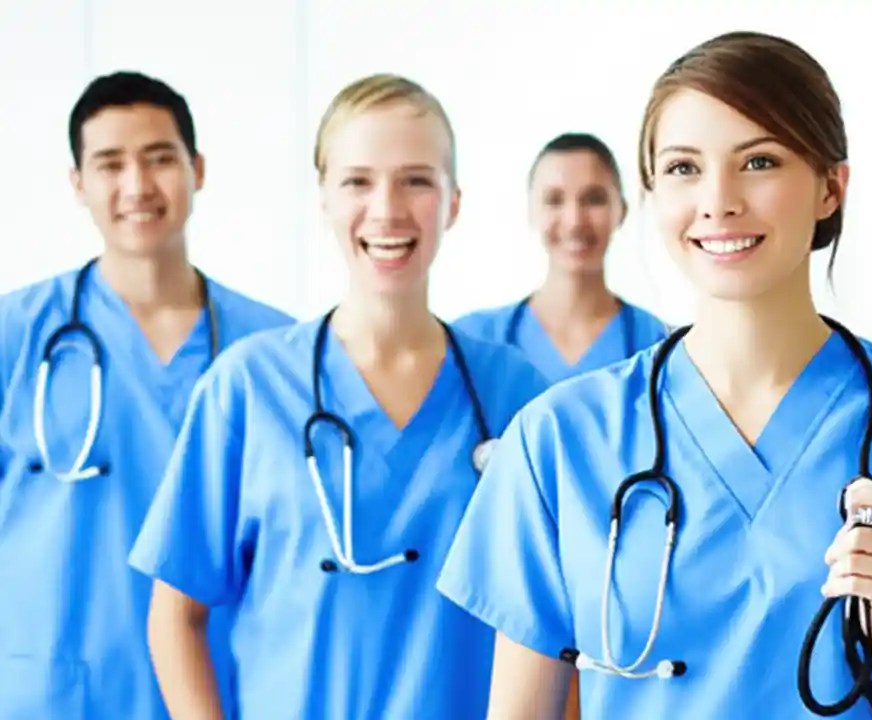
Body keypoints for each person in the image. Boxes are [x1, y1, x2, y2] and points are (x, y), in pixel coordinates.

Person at [436, 31, 872, 719]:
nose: (718, 200)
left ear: (831, 188)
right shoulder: (560, 439)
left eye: (759, 161)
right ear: (651, 194)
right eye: (684, 168)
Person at [127, 74, 548, 719]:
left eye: (416, 180)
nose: (387, 209)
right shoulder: (248, 388)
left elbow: (555, 621)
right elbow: (174, 616)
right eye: (358, 181)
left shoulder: (514, 394)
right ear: (323, 198)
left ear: (454, 201)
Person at [0, 71, 293, 718]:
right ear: (77, 183)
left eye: (160, 159)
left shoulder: (275, 350)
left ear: (198, 169)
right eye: (110, 164)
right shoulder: (17, 336)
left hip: (220, 693)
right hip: (53, 696)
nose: (137, 186)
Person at [452, 133, 668, 384]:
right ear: (531, 212)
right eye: (554, 200)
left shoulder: (659, 344)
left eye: (594, 199)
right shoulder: (472, 340)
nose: (574, 221)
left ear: (621, 211)